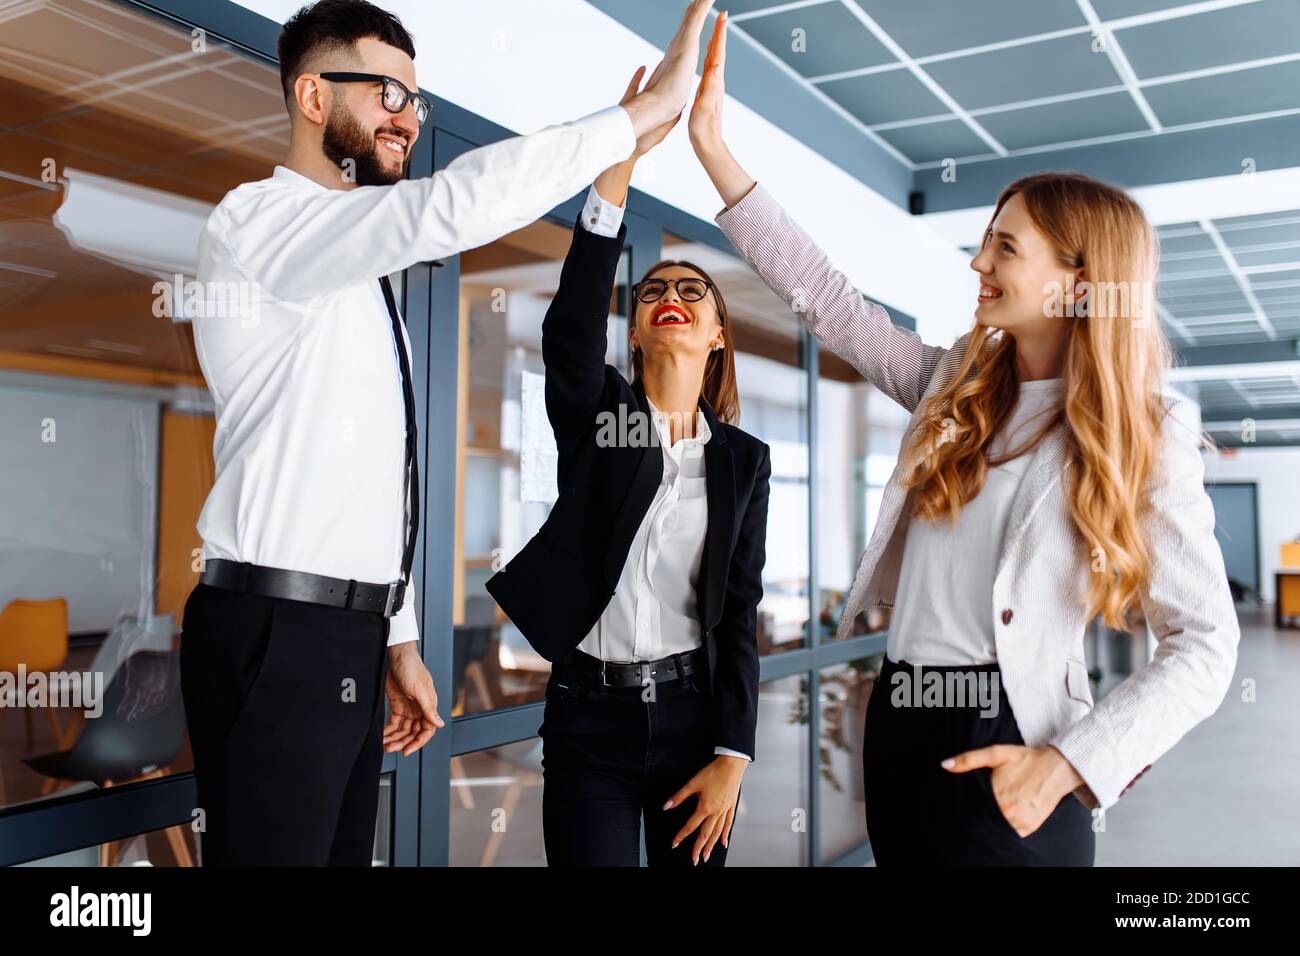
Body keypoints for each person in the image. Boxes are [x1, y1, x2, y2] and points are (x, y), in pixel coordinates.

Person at [687, 11, 1239, 865]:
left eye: (1005, 248)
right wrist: (717, 154)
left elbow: (1207, 644)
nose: (978, 265)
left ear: (1076, 283)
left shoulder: (1142, 433)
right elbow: (830, 302)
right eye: (984, 242)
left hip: (1013, 746)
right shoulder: (952, 383)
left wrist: (1065, 767)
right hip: (902, 730)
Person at [179, 0, 717, 865]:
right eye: (388, 93)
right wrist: (637, 118)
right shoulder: (257, 225)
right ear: (314, 97)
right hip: (274, 625)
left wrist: (395, 635)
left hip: (346, 629)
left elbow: (372, 477)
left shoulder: (356, 278)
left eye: (416, 102)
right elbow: (446, 209)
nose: (408, 119)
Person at [484, 64, 772, 868]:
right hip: (588, 721)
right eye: (652, 292)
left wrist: (733, 754)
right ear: (637, 331)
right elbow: (571, 334)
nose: (670, 295)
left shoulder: (745, 463)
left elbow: (738, 611)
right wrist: (619, 163)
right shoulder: (598, 421)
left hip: (692, 722)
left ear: (717, 334)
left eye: (692, 290)